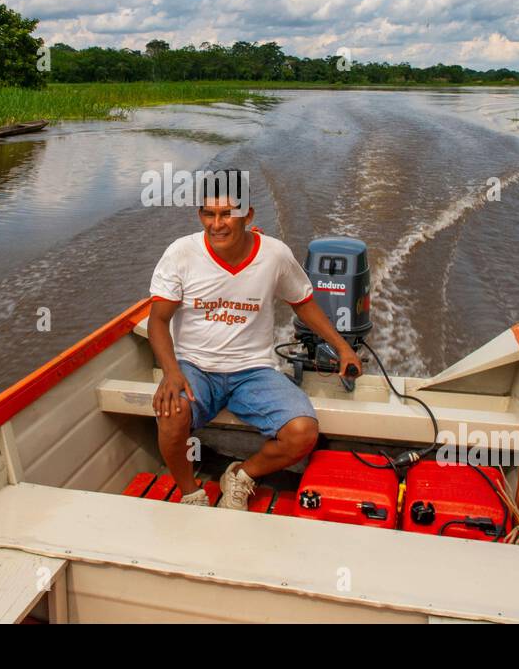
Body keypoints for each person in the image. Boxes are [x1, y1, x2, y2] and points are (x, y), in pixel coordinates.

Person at [148, 168, 361, 510]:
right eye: (208, 214)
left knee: (303, 432)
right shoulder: (181, 254)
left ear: (247, 214)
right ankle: (192, 493)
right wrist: (172, 372)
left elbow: (303, 304)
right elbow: (158, 321)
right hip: (196, 368)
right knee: (171, 412)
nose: (216, 224)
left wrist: (343, 347)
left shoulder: (274, 255)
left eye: (227, 214)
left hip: (253, 371)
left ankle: (242, 475)